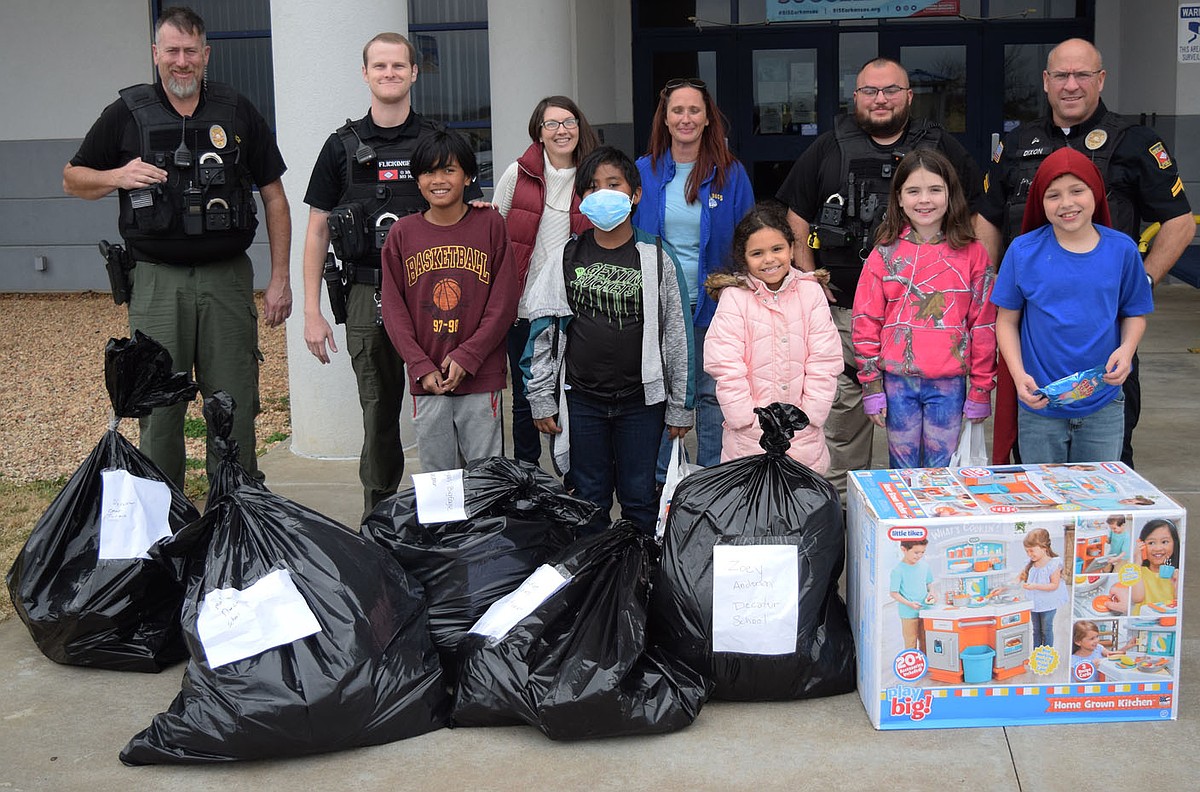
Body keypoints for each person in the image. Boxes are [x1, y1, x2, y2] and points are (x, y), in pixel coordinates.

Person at [62, 6, 291, 488]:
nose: (181, 62)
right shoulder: (126, 114)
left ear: (206, 55)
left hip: (227, 278)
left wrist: (280, 279)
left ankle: (236, 509)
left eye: (190, 52)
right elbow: (72, 178)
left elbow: (274, 196)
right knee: (159, 407)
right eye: (172, 51)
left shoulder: (236, 111)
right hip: (156, 282)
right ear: (156, 54)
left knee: (233, 402)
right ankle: (166, 515)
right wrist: (118, 175)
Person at [977, 38, 1193, 467]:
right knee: (1035, 466)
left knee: (1109, 463)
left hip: (1105, 340)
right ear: (1046, 81)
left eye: (1082, 75)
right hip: (1036, 342)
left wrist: (1141, 282)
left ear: (1101, 79)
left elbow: (1180, 222)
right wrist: (993, 286)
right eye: (1061, 75)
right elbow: (986, 217)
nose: (1071, 85)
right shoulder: (1017, 144)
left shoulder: (1135, 142)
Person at [776, 57, 983, 496]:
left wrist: (977, 284)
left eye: (891, 90)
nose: (880, 99)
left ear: (909, 95)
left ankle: (921, 520)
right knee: (843, 435)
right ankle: (845, 522)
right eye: (870, 91)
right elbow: (796, 216)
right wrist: (812, 282)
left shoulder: (941, 146)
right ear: (856, 97)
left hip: (932, 331)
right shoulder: (829, 147)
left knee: (934, 458)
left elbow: (979, 214)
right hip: (847, 318)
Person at [302, 32, 482, 519]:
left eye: (398, 65)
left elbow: (474, 212)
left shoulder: (437, 142)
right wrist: (312, 311)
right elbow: (317, 229)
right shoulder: (340, 146)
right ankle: (379, 523)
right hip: (367, 289)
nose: (389, 73)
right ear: (365, 73)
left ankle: (452, 519)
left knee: (446, 405)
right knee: (379, 413)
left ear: (414, 72)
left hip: (436, 293)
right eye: (379, 66)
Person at [526, 146, 693, 535]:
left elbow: (677, 332)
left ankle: (640, 566)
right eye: (593, 187)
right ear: (582, 200)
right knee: (588, 498)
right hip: (582, 401)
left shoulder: (657, 256)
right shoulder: (567, 256)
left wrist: (680, 406)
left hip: (641, 403)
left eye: (614, 184)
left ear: (635, 194)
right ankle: (596, 569)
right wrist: (541, 396)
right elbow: (543, 331)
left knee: (640, 497)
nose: (603, 193)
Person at [991, 148, 1152, 464]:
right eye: (1053, 195)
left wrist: (1126, 350)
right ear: (1040, 201)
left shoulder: (1122, 250)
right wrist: (1018, 374)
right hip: (1040, 403)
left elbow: (1134, 312)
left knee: (1098, 492)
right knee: (1043, 492)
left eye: (1077, 191)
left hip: (1103, 402)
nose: (1066, 203)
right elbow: (1006, 321)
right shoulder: (1022, 252)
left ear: (1096, 192)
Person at [379, 129, 516, 473]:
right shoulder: (402, 234)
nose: (438, 180)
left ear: (468, 176)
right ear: (417, 179)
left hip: (480, 376)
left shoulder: (490, 224)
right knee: (438, 482)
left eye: (449, 170)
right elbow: (394, 310)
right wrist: (419, 365)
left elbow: (503, 303)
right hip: (429, 381)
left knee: (485, 478)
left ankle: (483, 517)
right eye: (428, 172)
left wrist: (469, 355)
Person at [634, 78, 754, 470]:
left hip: (714, 306)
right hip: (658, 305)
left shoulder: (730, 173)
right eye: (678, 110)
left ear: (707, 119)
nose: (686, 118)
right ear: (665, 119)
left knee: (710, 394)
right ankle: (662, 481)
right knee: (662, 394)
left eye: (694, 110)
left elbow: (749, 238)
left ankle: (710, 479)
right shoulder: (643, 172)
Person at [851, 149, 997, 469]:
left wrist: (981, 387)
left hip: (949, 384)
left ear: (950, 194)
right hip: (897, 383)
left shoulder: (974, 254)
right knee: (901, 471)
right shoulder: (883, 254)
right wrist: (871, 383)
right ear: (899, 198)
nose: (924, 200)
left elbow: (984, 325)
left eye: (934, 189)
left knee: (942, 472)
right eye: (913, 191)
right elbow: (866, 321)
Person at [493, 96, 598, 466]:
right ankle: (527, 475)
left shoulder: (594, 176)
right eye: (551, 123)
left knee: (573, 394)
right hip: (525, 307)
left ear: (579, 126)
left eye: (568, 122)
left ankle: (573, 476)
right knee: (526, 398)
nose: (561, 130)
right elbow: (493, 231)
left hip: (577, 309)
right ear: (539, 132)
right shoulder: (517, 174)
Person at [703, 202, 841, 470]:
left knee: (800, 495)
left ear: (792, 249)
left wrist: (811, 415)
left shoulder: (811, 293)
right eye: (757, 253)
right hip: (748, 437)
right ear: (743, 257)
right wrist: (744, 418)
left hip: (803, 435)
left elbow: (825, 359)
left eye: (777, 249)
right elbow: (725, 363)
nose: (769, 259)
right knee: (751, 496)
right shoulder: (734, 298)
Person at [1107, 518, 1179, 616]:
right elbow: (1137, 598)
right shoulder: (1139, 571)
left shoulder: (1176, 573)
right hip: (1142, 621)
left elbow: (1179, 603)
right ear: (1142, 545)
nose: (1158, 548)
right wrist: (1137, 560)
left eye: (1165, 542)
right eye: (1151, 543)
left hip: (1167, 621)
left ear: (1174, 543)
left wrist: (1176, 584)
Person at [1018, 528, 1067, 648]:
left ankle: (1047, 654)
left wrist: (1035, 586)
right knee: (1036, 630)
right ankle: (1037, 654)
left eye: (1031, 551)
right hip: (1034, 604)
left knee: (1046, 630)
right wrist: (1004, 587)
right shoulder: (1030, 564)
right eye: (1027, 551)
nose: (1029, 554)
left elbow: (1054, 585)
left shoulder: (1053, 564)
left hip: (1048, 604)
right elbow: (1018, 578)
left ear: (1044, 548)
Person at [889, 539, 935, 653]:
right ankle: (913, 663)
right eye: (916, 552)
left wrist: (932, 593)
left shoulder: (924, 566)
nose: (920, 555)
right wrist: (909, 604)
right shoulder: (898, 570)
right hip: (908, 613)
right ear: (904, 549)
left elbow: (929, 583)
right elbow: (893, 593)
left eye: (922, 552)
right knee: (911, 642)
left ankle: (925, 661)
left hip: (926, 610)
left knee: (926, 640)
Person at [1071, 620, 1135, 681]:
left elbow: (1112, 655)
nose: (1096, 640)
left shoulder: (1098, 648)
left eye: (1097, 636)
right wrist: (1091, 667)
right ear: (1078, 642)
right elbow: (1077, 680)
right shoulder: (1073, 660)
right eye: (1092, 639)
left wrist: (1127, 646)